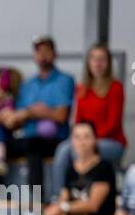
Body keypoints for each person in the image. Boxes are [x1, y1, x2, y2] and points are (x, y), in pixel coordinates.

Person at [0, 35, 74, 191]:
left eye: (46, 51)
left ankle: (36, 199)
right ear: (34, 55)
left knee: (33, 144)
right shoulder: (28, 85)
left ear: (54, 54)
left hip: (54, 139)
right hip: (27, 137)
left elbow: (62, 116)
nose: (42, 55)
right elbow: (16, 120)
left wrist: (31, 113)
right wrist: (10, 116)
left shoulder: (64, 80)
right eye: (39, 51)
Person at [51, 43, 124, 196]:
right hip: (88, 138)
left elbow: (113, 122)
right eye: (94, 59)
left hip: (110, 141)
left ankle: (81, 194)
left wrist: (89, 141)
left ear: (108, 63)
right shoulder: (82, 88)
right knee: (63, 150)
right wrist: (78, 138)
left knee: (81, 151)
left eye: (102, 59)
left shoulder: (115, 87)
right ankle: (59, 196)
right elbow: (78, 120)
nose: (98, 63)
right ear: (88, 62)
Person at [43, 121, 116, 215]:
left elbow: (93, 205)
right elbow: (64, 197)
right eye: (77, 137)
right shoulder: (70, 169)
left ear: (95, 140)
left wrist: (63, 207)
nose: (82, 142)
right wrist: (55, 209)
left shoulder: (104, 167)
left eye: (86, 137)